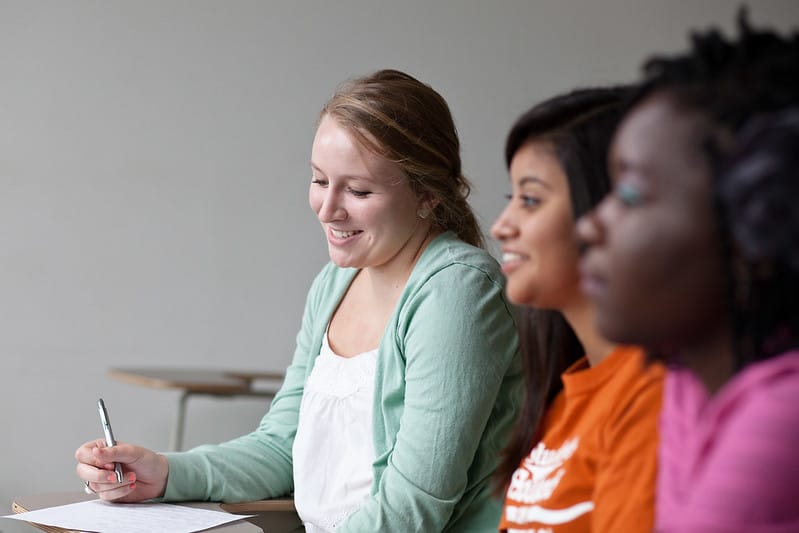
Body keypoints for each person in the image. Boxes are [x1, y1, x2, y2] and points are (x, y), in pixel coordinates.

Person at [75, 69, 523, 532]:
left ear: (428, 195)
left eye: (358, 190)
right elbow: (282, 447)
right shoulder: (334, 284)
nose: (327, 210)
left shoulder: (458, 292)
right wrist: (163, 473)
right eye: (319, 180)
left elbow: (413, 508)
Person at [577, 11, 799, 532]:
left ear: (754, 223)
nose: (589, 226)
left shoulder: (782, 423)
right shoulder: (687, 380)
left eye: (630, 195)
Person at [491, 87, 664, 532]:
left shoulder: (651, 392)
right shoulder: (566, 396)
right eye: (510, 197)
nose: (501, 225)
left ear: (605, 211)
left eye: (530, 200)